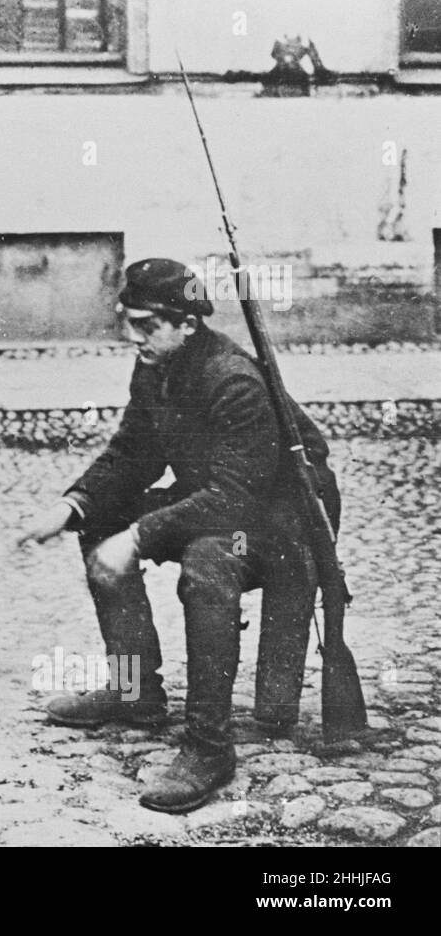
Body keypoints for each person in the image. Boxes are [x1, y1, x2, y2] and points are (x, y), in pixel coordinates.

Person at [17, 258, 341, 813]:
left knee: (206, 565)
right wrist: (72, 504)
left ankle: (209, 748)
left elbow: (233, 498)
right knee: (99, 523)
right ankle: (135, 689)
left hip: (278, 525)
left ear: (187, 323)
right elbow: (132, 454)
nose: (131, 335)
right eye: (128, 321)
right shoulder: (156, 365)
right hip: (218, 502)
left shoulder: (233, 380)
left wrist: (140, 536)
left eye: (145, 324)